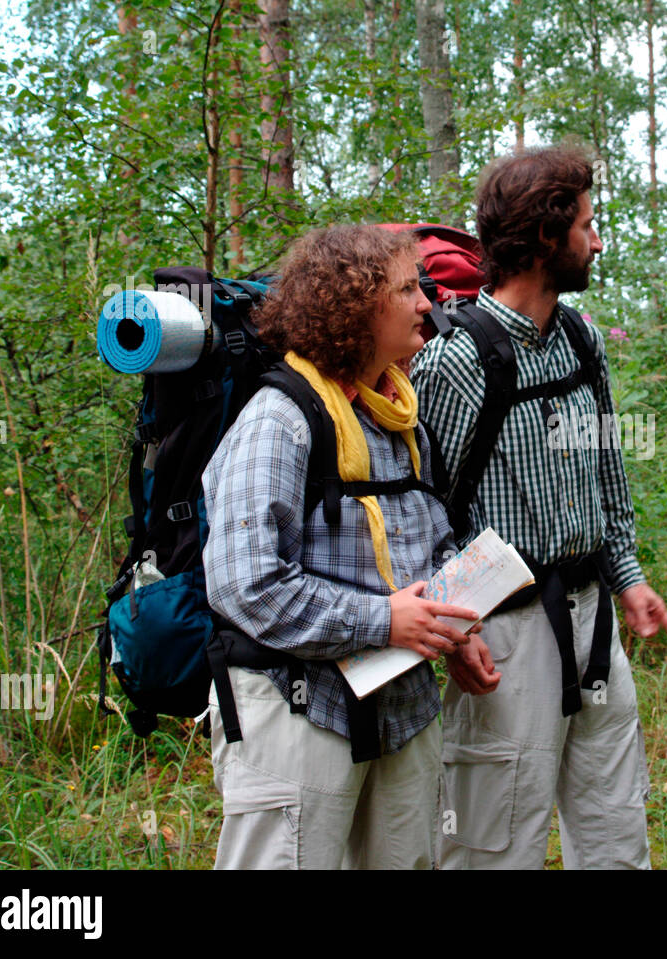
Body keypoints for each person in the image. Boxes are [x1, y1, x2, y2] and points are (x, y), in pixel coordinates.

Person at [412, 145, 667, 869]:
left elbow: (607, 470)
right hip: (501, 633)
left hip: (593, 621)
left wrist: (627, 577)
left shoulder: (582, 339)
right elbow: (423, 515)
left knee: (617, 825)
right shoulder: (455, 361)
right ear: (543, 238)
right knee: (490, 842)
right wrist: (451, 625)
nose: (597, 240)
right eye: (587, 225)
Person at [202, 224, 486, 869]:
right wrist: (384, 620)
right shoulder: (279, 419)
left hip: (403, 705)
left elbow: (430, 540)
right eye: (409, 289)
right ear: (357, 306)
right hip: (298, 708)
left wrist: (452, 629)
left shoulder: (397, 415)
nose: (427, 304)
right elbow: (243, 585)